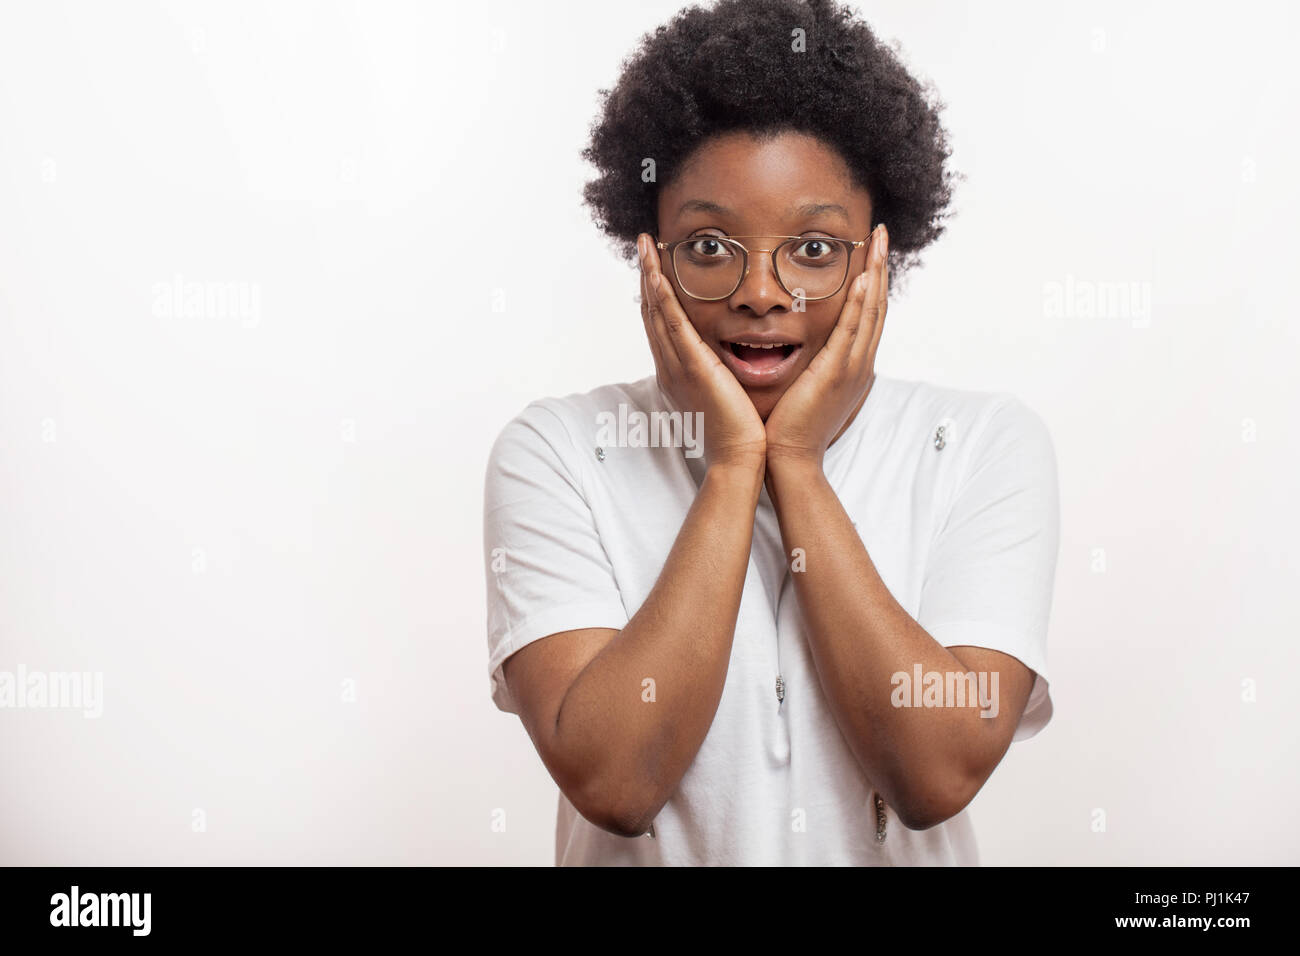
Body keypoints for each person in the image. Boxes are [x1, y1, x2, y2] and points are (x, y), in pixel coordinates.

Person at [482, 0, 1059, 865]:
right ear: (651, 255)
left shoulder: (981, 445)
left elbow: (937, 771)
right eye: (710, 245)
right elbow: (615, 782)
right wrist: (729, 470)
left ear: (878, 256)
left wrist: (796, 464)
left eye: (815, 249)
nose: (760, 291)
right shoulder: (559, 452)